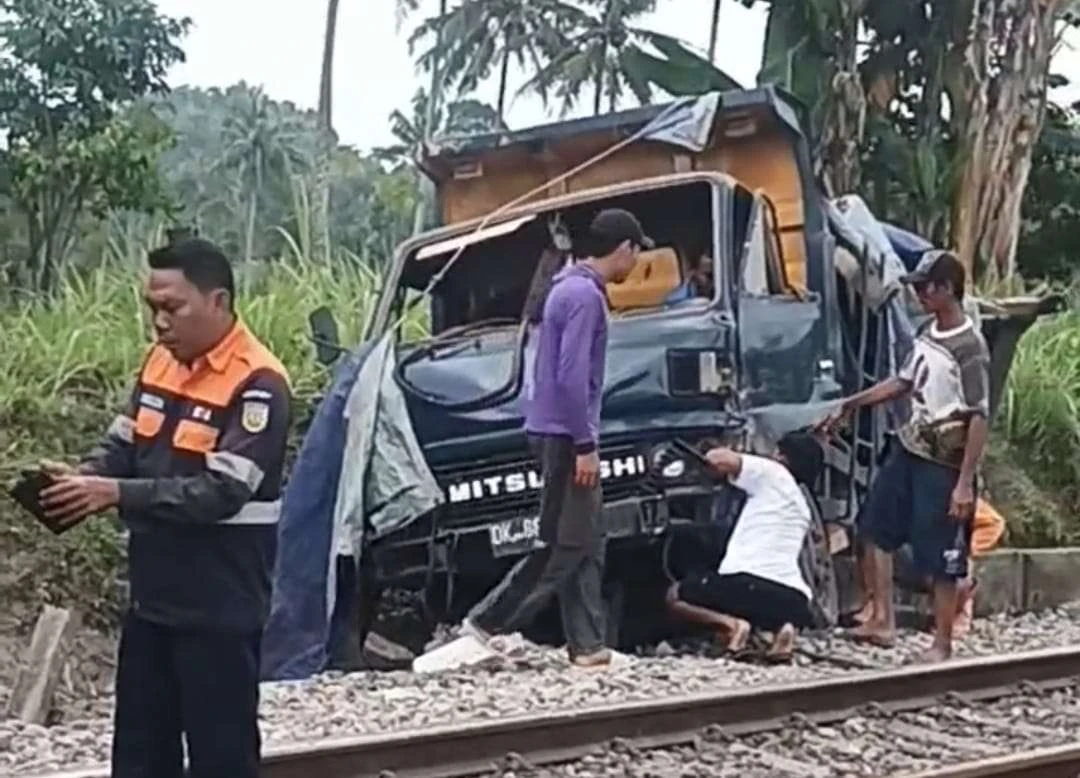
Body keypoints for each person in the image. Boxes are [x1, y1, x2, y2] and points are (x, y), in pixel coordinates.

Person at [39, 238, 291, 778]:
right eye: (151, 307)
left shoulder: (258, 384)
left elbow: (220, 492)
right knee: (139, 752)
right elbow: (124, 443)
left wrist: (117, 493)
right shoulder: (161, 363)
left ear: (218, 301)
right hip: (154, 600)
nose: (158, 322)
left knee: (220, 756)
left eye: (172, 307)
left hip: (219, 606)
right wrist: (86, 477)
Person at [454, 208, 651, 669]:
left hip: (557, 429)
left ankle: (588, 646)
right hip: (566, 435)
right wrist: (585, 444)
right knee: (564, 542)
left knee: (588, 539)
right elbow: (570, 376)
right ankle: (489, 622)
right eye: (636, 250)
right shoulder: (584, 296)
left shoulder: (567, 287)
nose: (635, 261)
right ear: (624, 248)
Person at [818, 249, 990, 663]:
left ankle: (942, 643)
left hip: (944, 461)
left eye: (924, 287)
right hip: (910, 447)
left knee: (942, 555)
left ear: (946, 289)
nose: (917, 295)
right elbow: (903, 381)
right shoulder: (929, 334)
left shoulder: (971, 348)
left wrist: (965, 482)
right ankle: (883, 619)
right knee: (875, 527)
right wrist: (852, 403)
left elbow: (978, 415)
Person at [665, 432, 824, 663]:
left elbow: (721, 460)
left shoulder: (772, 472)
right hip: (797, 600)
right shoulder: (802, 506)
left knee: (674, 596)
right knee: (766, 604)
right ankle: (785, 629)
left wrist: (712, 451)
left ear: (782, 458)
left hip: (749, 584)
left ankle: (733, 626)